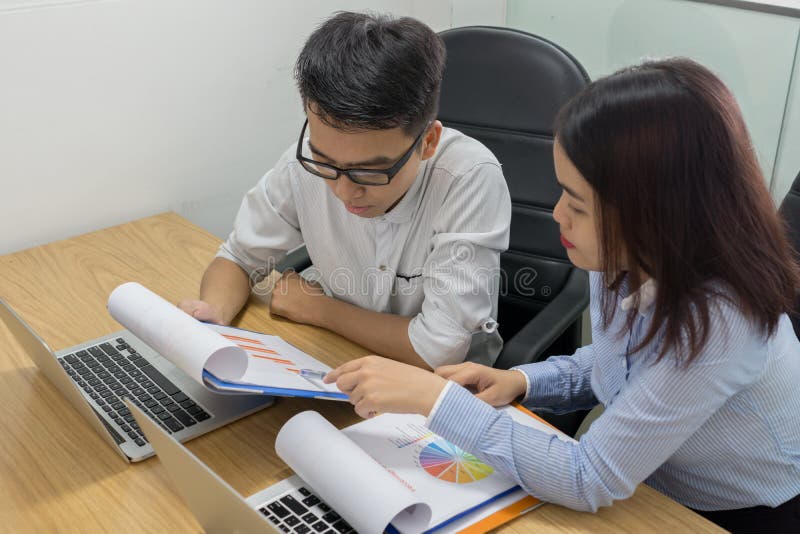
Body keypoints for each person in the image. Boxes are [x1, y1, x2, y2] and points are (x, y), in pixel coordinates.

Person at [325, 58, 800, 532]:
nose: (557, 215)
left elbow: (588, 477)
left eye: (576, 204)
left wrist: (436, 401)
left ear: (655, 215)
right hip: (647, 481)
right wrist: (524, 382)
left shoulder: (721, 321)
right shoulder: (623, 256)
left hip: (738, 511)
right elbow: (622, 363)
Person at [178, 12, 511, 369]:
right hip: (338, 358)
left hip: (442, 388)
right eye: (325, 162)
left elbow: (438, 349)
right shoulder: (305, 161)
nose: (343, 190)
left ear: (427, 142)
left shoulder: (468, 177)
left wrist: (320, 309)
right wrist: (212, 314)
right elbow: (239, 258)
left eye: (370, 172)